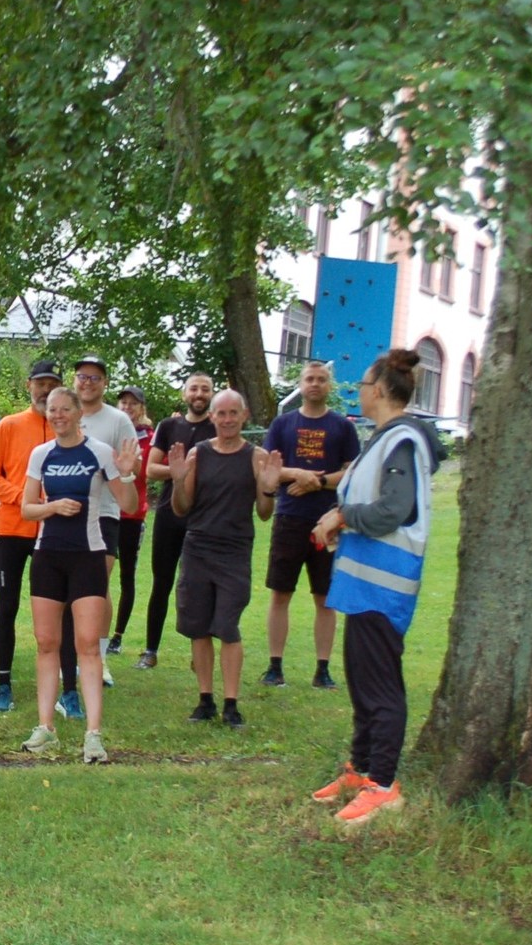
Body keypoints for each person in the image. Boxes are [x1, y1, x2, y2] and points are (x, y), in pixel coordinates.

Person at [307, 348, 443, 826]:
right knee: (363, 682)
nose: (359, 392)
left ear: (381, 391)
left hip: (384, 588)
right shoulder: (383, 439)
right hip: (362, 584)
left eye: (363, 385)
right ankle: (360, 768)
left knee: (381, 687)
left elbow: (395, 510)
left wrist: (343, 516)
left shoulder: (402, 439)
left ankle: (383, 785)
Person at [18, 387, 140, 761]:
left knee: (87, 643)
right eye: (52, 410)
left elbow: (129, 505)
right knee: (46, 643)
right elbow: (26, 509)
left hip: (88, 555)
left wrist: (127, 474)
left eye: (64, 410)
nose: (58, 416)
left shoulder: (99, 453)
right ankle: (45, 728)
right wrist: (52, 507)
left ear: (77, 414)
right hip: (47, 557)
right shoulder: (41, 454)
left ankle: (93, 734)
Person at [162, 388, 283, 729]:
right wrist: (178, 480)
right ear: (212, 417)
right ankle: (206, 700)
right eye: (221, 413)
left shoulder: (256, 456)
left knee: (227, 627)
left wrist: (269, 488)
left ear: (244, 416)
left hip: (234, 551)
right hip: (198, 548)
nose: (228, 420)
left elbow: (263, 513)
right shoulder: (199, 454)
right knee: (198, 627)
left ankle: (231, 704)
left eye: (234, 413)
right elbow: (181, 508)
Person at [260, 360, 361, 690]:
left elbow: (352, 472)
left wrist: (317, 481)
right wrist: (296, 474)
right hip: (289, 518)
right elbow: (267, 467)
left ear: (329, 385)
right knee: (281, 594)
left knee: (325, 597)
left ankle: (323, 669)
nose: (315, 384)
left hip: (328, 522)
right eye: (309, 379)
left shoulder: (342, 428)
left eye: (321, 379)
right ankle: (275, 666)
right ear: (300, 384)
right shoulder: (283, 424)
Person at [0, 358, 62, 713]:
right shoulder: (10, 426)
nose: (44, 390)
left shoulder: (69, 427)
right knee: (8, 604)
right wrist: (25, 500)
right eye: (40, 383)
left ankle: (67, 687)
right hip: (12, 528)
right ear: (29, 385)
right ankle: (4, 684)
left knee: (59, 608)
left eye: (51, 383)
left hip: (56, 532)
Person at [69, 355, 138, 708]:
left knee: (98, 584)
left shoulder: (118, 420)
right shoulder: (65, 413)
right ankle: (70, 655)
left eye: (95, 378)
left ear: (105, 383)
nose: (87, 383)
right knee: (66, 587)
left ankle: (98, 655)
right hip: (64, 515)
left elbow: (131, 462)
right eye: (82, 376)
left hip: (105, 512)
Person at [134, 372, 216, 667]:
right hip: (169, 515)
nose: (199, 394)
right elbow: (151, 469)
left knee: (201, 584)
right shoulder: (169, 426)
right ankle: (150, 650)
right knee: (162, 582)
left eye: (205, 389)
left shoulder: (217, 427)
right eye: (194, 388)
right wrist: (179, 471)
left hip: (205, 517)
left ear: (211, 395)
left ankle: (200, 652)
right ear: (184, 394)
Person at [108, 385, 154, 655]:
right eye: (123, 403)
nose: (127, 407)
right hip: (107, 511)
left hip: (132, 514)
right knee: (101, 573)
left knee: (127, 574)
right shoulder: (109, 431)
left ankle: (118, 634)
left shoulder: (148, 436)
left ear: (141, 408)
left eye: (133, 404)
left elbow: (144, 471)